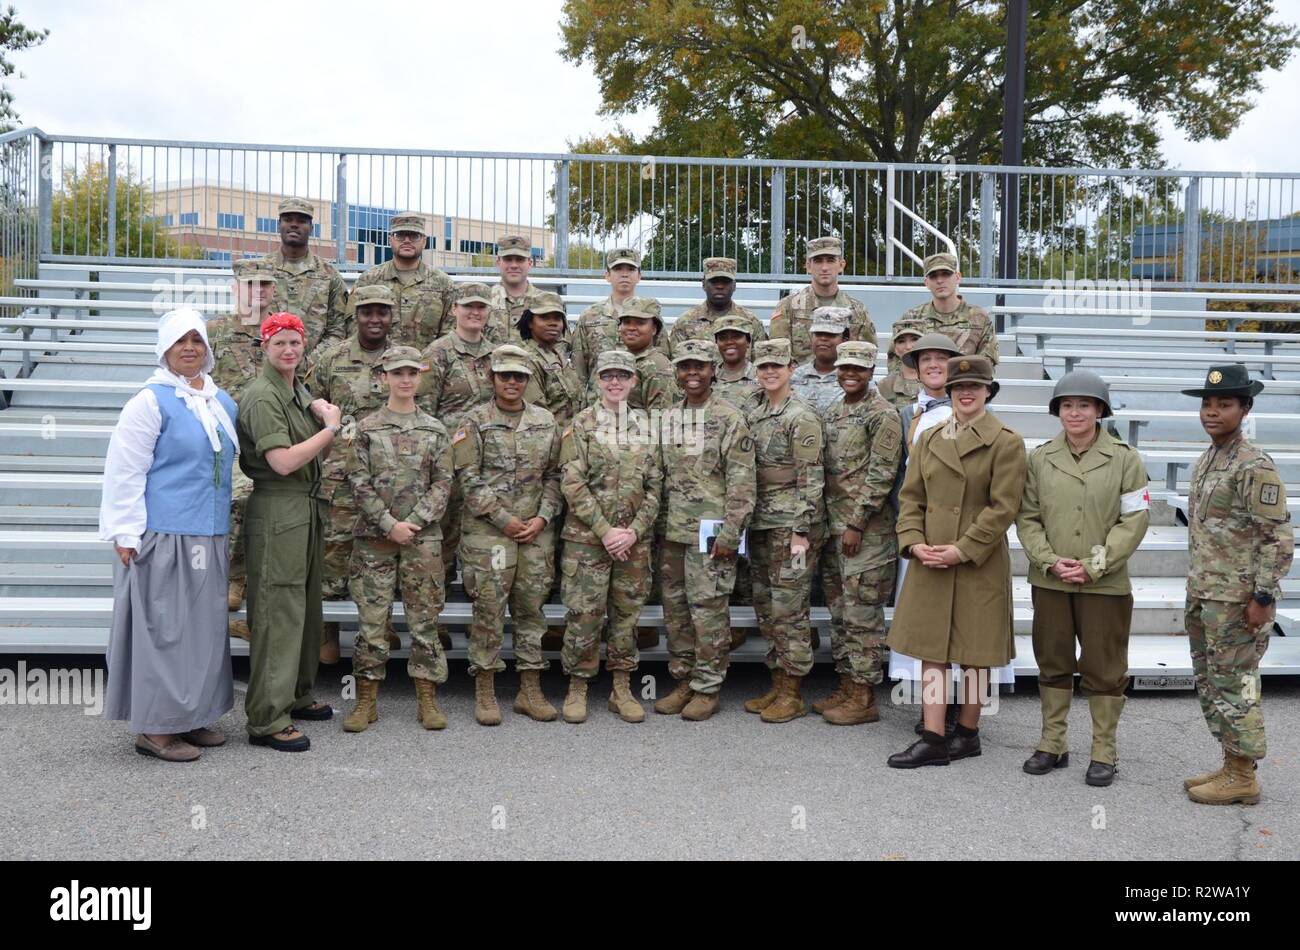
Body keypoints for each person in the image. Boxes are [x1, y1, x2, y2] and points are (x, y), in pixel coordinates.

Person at [99, 309, 239, 762]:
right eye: (180, 341)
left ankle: (192, 716)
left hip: (210, 533)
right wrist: (125, 531)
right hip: (164, 534)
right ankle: (155, 729)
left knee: (202, 631)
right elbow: (125, 469)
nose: (190, 349)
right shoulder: (150, 401)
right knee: (166, 630)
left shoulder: (221, 401)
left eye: (197, 341)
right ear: (164, 348)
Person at [887, 355, 1026, 768]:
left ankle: (966, 733)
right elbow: (911, 497)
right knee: (932, 646)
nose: (966, 393)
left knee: (975, 650)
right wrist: (913, 543)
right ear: (949, 393)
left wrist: (962, 549)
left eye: (975, 386)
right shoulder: (930, 438)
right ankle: (932, 736)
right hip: (930, 555)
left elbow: (1003, 508)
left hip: (976, 559)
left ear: (988, 392)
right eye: (958, 387)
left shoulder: (1006, 441)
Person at [1016, 371, 1150, 786]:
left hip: (1104, 583)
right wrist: (1048, 560)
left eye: (1085, 405)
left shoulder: (1126, 458)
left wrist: (1094, 563)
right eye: (1067, 405)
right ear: (1058, 411)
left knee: (1105, 668)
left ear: (1100, 411)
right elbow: (1028, 516)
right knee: (1052, 661)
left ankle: (1103, 752)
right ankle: (1052, 743)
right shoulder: (1039, 458)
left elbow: (1135, 518)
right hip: (1051, 579)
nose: (1075, 412)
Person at [1180, 364, 1293, 805]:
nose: (1212, 411)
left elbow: (1278, 536)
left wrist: (1263, 597)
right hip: (1206, 592)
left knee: (1236, 684)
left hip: (1238, 599)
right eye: (1207, 404)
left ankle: (1243, 774)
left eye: (1224, 404)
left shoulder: (1254, 465)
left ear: (1245, 409)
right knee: (1210, 680)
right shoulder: (1209, 458)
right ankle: (1231, 763)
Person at [237, 312, 342, 752]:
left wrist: (317, 406)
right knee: (277, 613)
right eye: (279, 343)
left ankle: (295, 695)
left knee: (303, 609)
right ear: (264, 347)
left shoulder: (293, 388)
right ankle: (267, 717)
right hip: (280, 507)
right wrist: (331, 428)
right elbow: (281, 461)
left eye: (295, 343)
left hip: (303, 508)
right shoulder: (263, 396)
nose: (288, 350)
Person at [342, 345, 454, 733]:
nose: (405, 379)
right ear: (383, 377)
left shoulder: (435, 429)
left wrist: (415, 522)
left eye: (412, 373)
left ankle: (427, 698)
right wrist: (390, 524)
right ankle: (366, 701)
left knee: (424, 620)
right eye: (398, 373)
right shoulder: (366, 428)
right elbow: (357, 482)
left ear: (420, 377)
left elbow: (443, 483)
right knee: (373, 621)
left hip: (422, 540)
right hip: (376, 538)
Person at [453, 344, 564, 725]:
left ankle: (529, 689)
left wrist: (544, 518)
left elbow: (555, 475)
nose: (512, 382)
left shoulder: (546, 422)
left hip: (535, 532)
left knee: (531, 610)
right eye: (505, 375)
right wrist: (503, 519)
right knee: (488, 610)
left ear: (528, 380)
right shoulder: (474, 421)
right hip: (490, 535)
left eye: (519, 376)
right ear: (492, 378)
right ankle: (485, 689)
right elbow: (467, 478)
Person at [558, 349, 663, 723]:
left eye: (622, 375)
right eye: (607, 376)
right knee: (584, 615)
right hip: (587, 541)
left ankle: (622, 687)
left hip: (633, 543)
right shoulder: (580, 425)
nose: (615, 382)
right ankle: (578, 686)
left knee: (625, 616)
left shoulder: (649, 427)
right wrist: (605, 531)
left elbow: (655, 486)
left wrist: (632, 532)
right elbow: (572, 483)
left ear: (634, 380)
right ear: (597, 381)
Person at [654, 339, 756, 721]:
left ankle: (708, 687)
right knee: (676, 612)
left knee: (708, 611)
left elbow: (743, 482)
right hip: (673, 534)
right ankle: (683, 680)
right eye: (685, 366)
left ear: (713, 370)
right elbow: (658, 476)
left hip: (710, 535)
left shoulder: (730, 417)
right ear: (677, 373)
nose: (692, 373)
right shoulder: (667, 417)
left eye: (699, 366)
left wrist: (731, 535)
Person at [305, 284, 399, 664]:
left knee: (380, 551)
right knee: (335, 550)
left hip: (389, 472)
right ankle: (328, 632)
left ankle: (382, 626)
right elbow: (310, 401)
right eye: (366, 312)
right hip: (340, 471)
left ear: (392, 316)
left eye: (382, 312)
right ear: (355, 315)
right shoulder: (333, 357)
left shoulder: (404, 359)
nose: (374, 319)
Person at [815, 340, 903, 725]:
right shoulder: (834, 410)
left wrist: (856, 523)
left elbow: (882, 474)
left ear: (871, 372)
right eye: (845, 367)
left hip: (865, 534)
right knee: (841, 613)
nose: (850, 374)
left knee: (862, 614)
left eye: (858, 369)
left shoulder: (881, 414)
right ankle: (848, 686)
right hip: (834, 529)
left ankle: (865, 696)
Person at [741, 339, 825, 723]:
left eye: (777, 366)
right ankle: (778, 681)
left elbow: (811, 478)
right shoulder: (755, 411)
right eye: (763, 367)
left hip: (790, 525)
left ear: (792, 368)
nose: (770, 372)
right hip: (759, 522)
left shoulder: (801, 415)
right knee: (766, 607)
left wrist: (802, 530)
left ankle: (793, 690)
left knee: (789, 610)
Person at [210, 257, 277, 638]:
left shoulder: (280, 332)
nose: (260, 291)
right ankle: (236, 578)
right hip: (228, 440)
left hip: (271, 438)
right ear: (237, 289)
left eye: (265, 284)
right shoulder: (215, 332)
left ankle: (265, 597)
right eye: (252, 284)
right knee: (240, 498)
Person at [418, 282, 497, 599]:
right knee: (444, 540)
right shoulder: (437, 353)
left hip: (487, 464)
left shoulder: (497, 354)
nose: (475, 312)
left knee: (482, 538)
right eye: (468, 306)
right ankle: (439, 621)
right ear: (454, 310)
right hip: (448, 463)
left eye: (481, 307)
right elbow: (424, 413)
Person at [351, 211, 456, 349]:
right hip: (378, 365)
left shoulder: (443, 284)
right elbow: (353, 326)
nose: (407, 240)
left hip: (426, 366)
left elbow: (449, 334)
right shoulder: (368, 280)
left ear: (424, 241)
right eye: (400, 235)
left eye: (414, 235)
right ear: (390, 239)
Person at [769, 236, 875, 365]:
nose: (824, 268)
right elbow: (778, 355)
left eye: (830, 260)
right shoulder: (788, 307)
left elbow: (867, 354)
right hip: (799, 382)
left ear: (841, 265)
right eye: (818, 261)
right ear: (808, 266)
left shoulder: (857, 311)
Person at [265, 197, 349, 355]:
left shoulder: (328, 275)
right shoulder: (260, 271)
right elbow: (248, 322)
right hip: (268, 368)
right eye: (288, 219)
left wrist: (310, 362)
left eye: (302, 221)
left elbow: (338, 330)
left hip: (313, 372)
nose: (294, 224)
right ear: (279, 225)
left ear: (311, 228)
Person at [571, 247, 657, 388]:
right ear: (607, 275)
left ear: (639, 276)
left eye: (631, 269)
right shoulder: (589, 316)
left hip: (637, 400)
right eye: (617, 269)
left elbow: (662, 359)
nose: (624, 274)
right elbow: (578, 368)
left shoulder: (649, 315)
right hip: (599, 401)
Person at [896, 252, 998, 364]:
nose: (940, 281)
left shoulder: (979, 318)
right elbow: (896, 361)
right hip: (920, 380)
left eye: (946, 274)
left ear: (958, 277)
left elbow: (987, 364)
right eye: (933, 276)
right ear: (926, 282)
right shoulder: (912, 317)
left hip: (964, 380)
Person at [667, 257, 766, 356]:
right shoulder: (685, 322)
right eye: (714, 281)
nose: (720, 286)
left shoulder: (751, 322)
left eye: (725, 281)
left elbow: (761, 362)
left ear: (734, 286)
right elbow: (676, 362)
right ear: (704, 284)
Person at [520, 292, 583, 430]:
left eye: (557, 318)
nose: (553, 323)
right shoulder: (526, 359)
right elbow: (536, 414)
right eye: (544, 317)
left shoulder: (558, 355)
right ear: (530, 322)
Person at [616, 297, 678, 411]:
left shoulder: (658, 367)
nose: (631, 328)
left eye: (640, 323)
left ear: (654, 329)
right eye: (626, 322)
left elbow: (660, 421)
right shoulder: (618, 360)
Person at [790, 307, 851, 416]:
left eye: (831, 334)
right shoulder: (792, 377)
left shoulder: (855, 379)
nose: (823, 339)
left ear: (845, 340)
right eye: (818, 333)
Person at [487, 234, 538, 343]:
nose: (514, 265)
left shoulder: (544, 302)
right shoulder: (484, 301)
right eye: (508, 259)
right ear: (498, 263)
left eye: (520, 259)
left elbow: (558, 346)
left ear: (530, 263)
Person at [711, 314, 761, 410]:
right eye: (723, 338)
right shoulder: (707, 378)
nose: (729, 342)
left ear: (748, 342)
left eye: (737, 337)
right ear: (716, 343)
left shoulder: (761, 377)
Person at [877, 322, 925, 407]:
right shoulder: (885, 386)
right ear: (895, 348)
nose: (908, 346)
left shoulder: (938, 382)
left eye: (915, 339)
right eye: (901, 341)